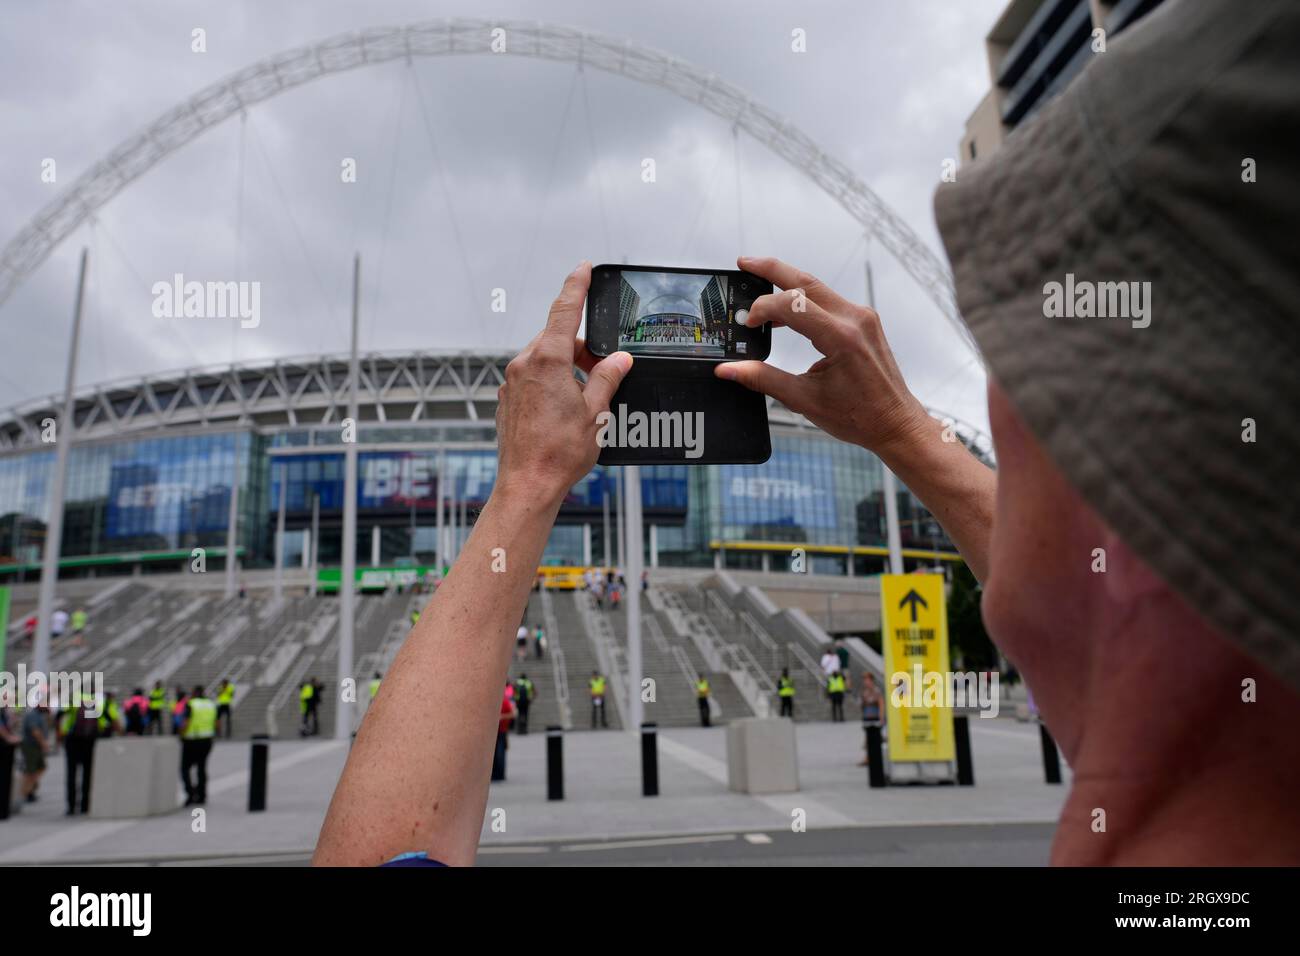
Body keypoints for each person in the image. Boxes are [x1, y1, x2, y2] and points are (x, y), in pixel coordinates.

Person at [58, 694, 105, 815]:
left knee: (71, 774)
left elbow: (59, 716)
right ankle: (85, 805)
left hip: (72, 741)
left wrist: (61, 734)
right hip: (89, 742)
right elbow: (104, 723)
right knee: (87, 774)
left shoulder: (73, 701)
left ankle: (71, 806)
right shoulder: (98, 703)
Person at [179, 685, 216, 806]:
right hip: (207, 740)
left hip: (192, 740)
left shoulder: (191, 704)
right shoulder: (211, 704)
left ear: (194, 693)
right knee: (201, 768)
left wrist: (181, 734)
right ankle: (202, 795)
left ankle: (190, 794)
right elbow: (217, 723)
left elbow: (186, 722)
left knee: (185, 768)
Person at [19, 703, 50, 803]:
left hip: (36, 746)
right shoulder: (33, 715)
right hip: (31, 746)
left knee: (40, 768)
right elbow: (35, 731)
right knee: (30, 771)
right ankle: (24, 794)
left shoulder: (39, 714)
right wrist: (44, 744)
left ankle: (30, 789)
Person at [491, 683, 517, 782]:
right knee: (497, 753)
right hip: (497, 732)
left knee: (500, 753)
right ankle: (496, 774)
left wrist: (501, 717)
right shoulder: (502, 701)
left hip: (501, 731)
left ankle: (499, 774)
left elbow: (513, 714)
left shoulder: (504, 702)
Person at [858, 673, 883, 767]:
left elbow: (881, 704)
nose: (866, 682)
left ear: (872, 680)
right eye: (864, 680)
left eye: (867, 680)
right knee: (868, 739)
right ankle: (868, 758)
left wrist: (881, 717)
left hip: (875, 717)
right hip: (867, 717)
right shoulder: (864, 692)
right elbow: (862, 705)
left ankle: (872, 758)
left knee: (876, 739)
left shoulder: (876, 691)